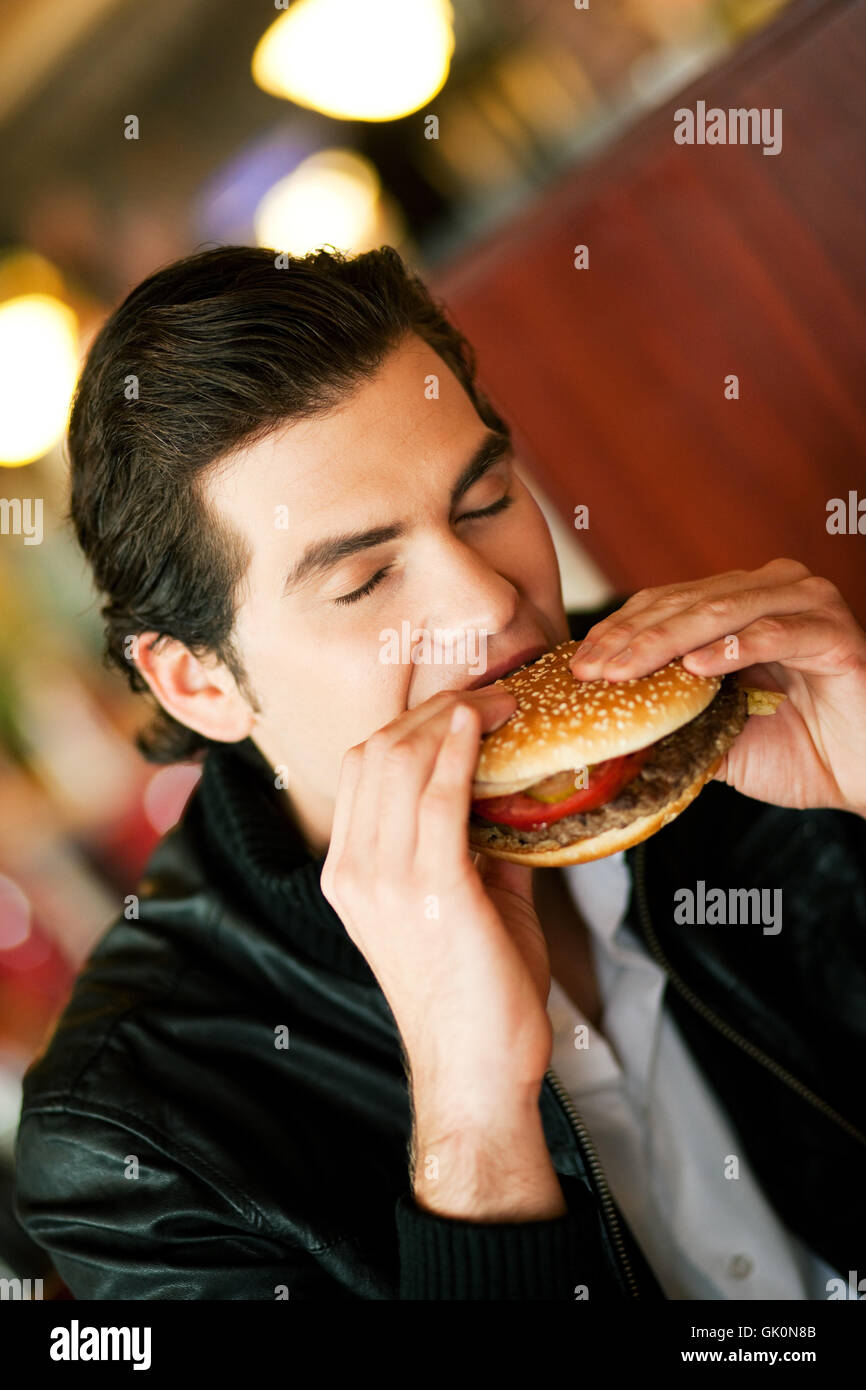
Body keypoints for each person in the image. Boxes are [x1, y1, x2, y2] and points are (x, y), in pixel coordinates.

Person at [13, 245, 866, 1300]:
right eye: (366, 577)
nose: (487, 606)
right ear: (197, 683)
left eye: (485, 501)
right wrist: (471, 1118)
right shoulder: (129, 1140)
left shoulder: (750, 702)